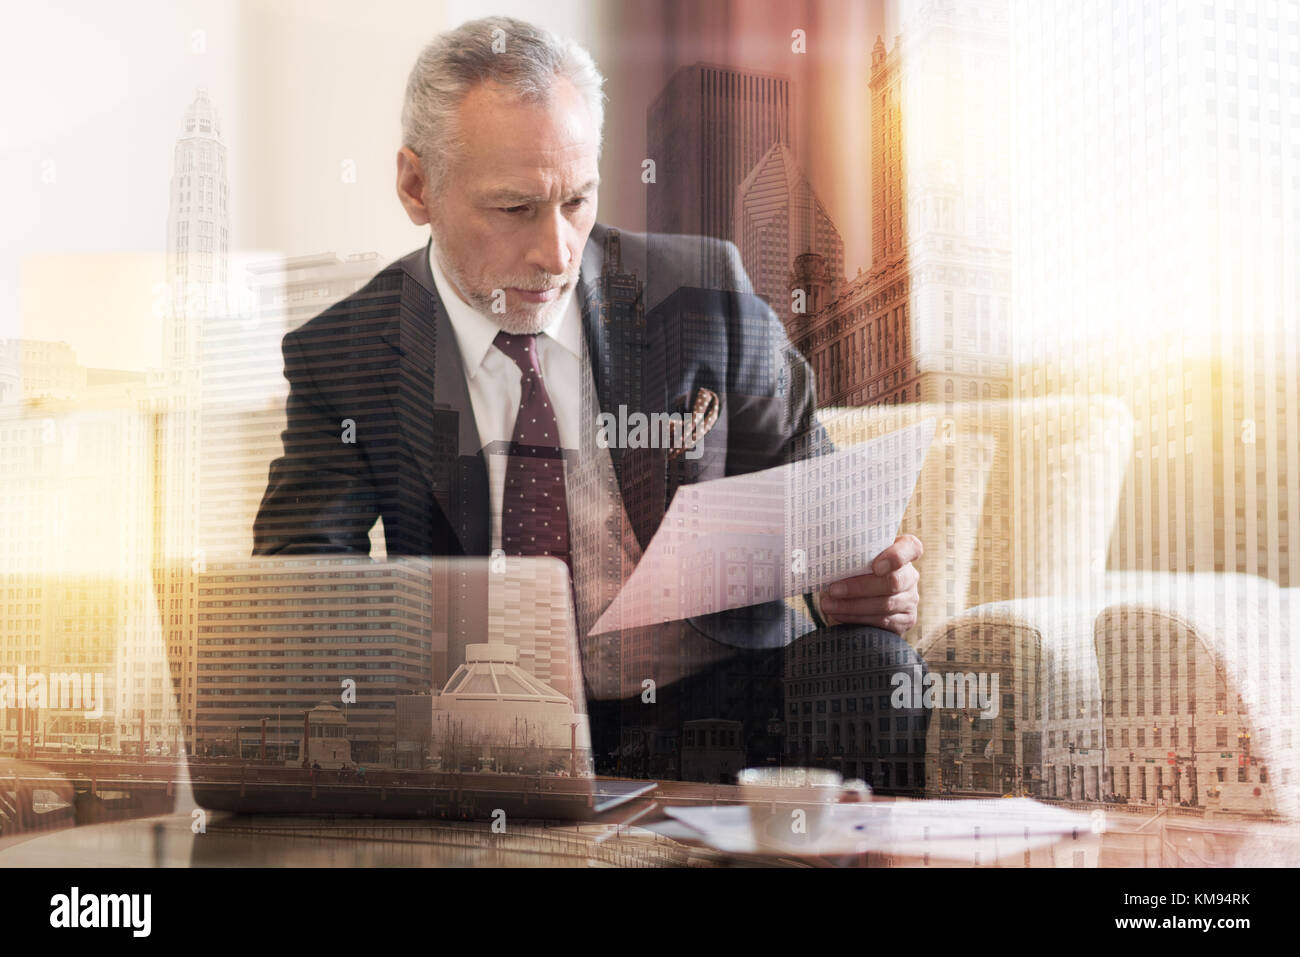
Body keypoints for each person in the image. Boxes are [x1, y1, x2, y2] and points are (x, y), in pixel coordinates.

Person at [253, 16, 925, 777]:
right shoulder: (347, 353)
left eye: (577, 200)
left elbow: (822, 506)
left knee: (873, 667)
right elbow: (300, 582)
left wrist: (856, 584)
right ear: (417, 186)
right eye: (514, 209)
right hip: (487, 729)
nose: (556, 253)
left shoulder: (703, 294)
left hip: (721, 704)